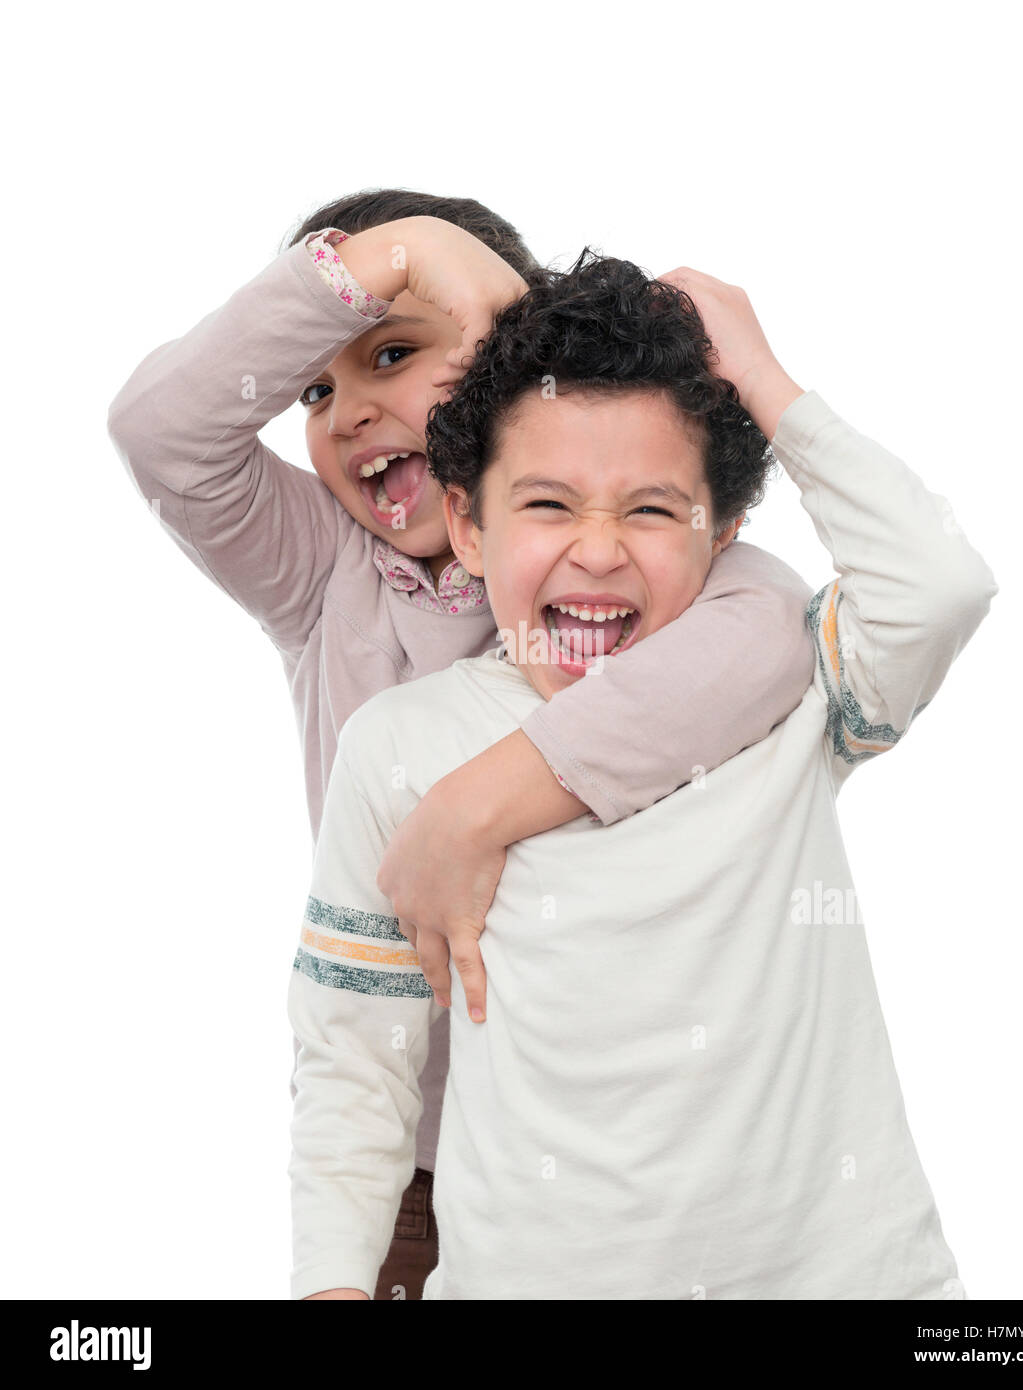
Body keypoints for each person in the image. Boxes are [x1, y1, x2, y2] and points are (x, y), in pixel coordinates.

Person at [105, 191, 818, 1298]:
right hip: (413, 1156)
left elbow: (776, 623)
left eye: (391, 353)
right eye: (316, 386)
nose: (346, 413)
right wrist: (392, 261)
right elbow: (161, 431)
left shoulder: (609, 569)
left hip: (640, 1151)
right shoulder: (324, 575)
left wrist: (476, 805)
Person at [287, 250, 997, 1301]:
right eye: (547, 505)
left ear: (724, 534)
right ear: (469, 527)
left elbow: (938, 585)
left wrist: (767, 384)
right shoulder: (400, 746)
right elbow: (354, 1061)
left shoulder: (789, 695)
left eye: (654, 511)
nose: (600, 550)